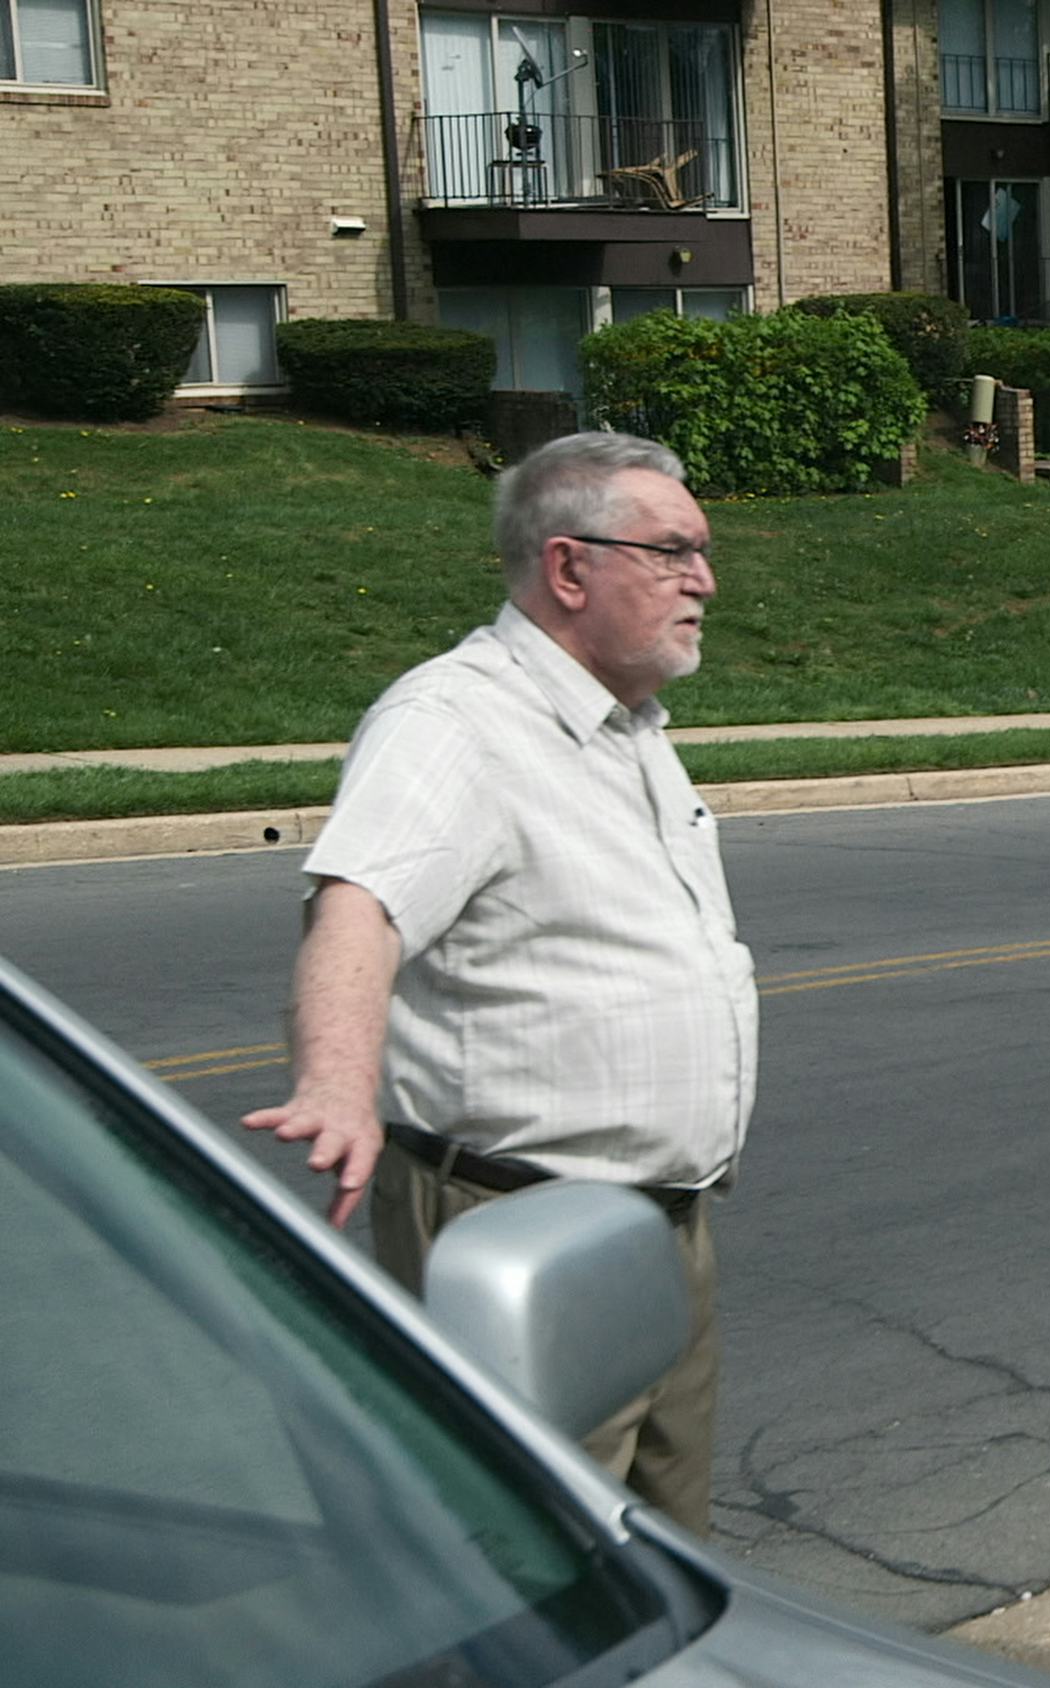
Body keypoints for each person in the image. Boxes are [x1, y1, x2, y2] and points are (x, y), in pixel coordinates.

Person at [245, 430, 756, 1534]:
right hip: (517, 1224)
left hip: (661, 1228)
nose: (704, 580)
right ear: (569, 567)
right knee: (531, 1550)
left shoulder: (625, 725)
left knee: (668, 1558)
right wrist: (337, 1083)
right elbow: (360, 905)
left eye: (702, 551)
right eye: (673, 552)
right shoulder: (456, 723)